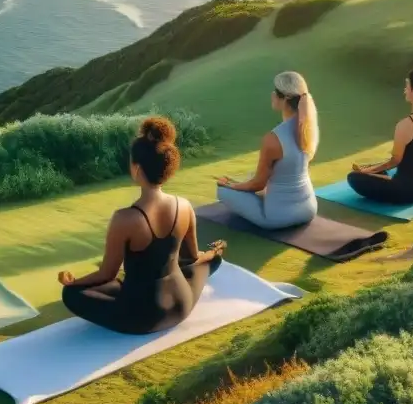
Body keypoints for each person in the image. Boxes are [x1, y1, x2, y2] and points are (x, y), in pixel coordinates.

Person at [58, 116, 225, 335]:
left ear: (136, 168)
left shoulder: (125, 219)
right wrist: (211, 255)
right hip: (182, 304)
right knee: (200, 263)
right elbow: (192, 258)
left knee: (71, 295)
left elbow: (106, 274)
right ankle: (216, 257)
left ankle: (115, 288)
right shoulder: (184, 206)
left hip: (143, 317)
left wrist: (74, 281)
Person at [215, 71, 319, 230]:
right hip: (309, 209)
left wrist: (230, 185)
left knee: (222, 192)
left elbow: (258, 184)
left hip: (276, 217)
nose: (272, 95)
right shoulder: (309, 129)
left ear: (286, 99)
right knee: (251, 177)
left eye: (276, 92)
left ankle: (230, 188)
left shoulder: (273, 139)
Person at [347, 69, 413, 204]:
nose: (405, 90)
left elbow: (394, 161)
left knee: (353, 177)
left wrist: (366, 171)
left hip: (408, 188)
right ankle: (374, 172)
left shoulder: (405, 125)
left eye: (407, 86)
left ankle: (370, 173)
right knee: (378, 172)